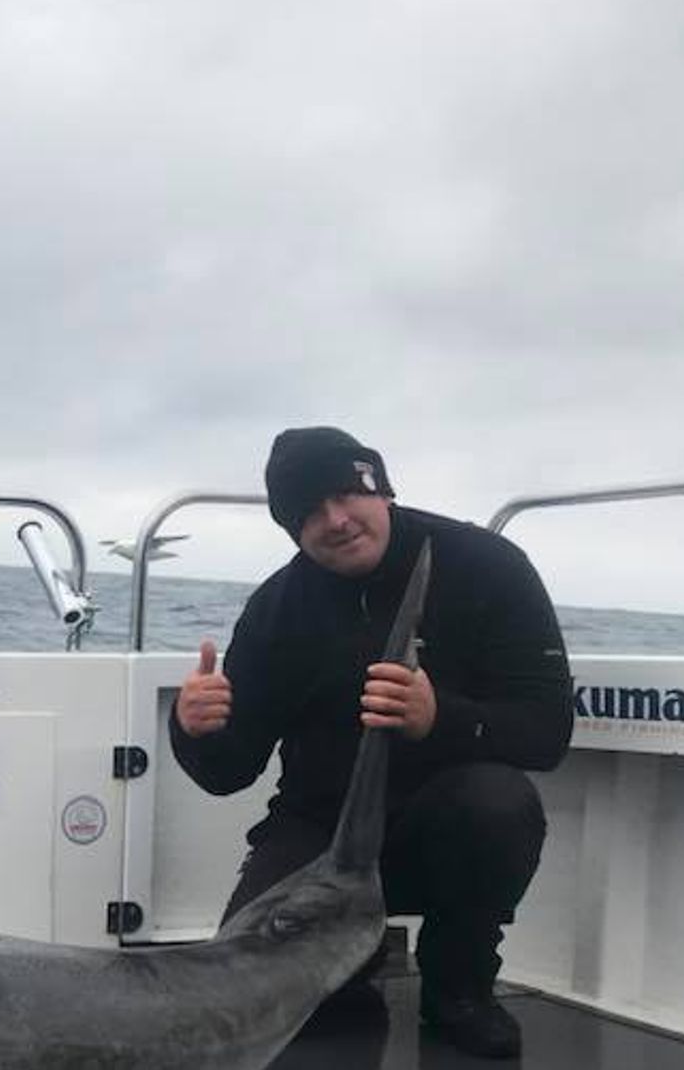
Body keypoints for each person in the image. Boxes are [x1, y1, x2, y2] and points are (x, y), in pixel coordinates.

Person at [168, 426, 573, 1060]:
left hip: (445, 827)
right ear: (291, 530)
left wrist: (439, 718)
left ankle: (459, 986)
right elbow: (229, 772)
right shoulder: (280, 608)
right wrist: (193, 730)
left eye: (344, 495)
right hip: (321, 833)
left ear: (379, 487)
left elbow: (547, 732)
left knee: (498, 802)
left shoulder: (487, 566)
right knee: (248, 1004)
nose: (334, 521)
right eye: (306, 513)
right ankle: (348, 974)